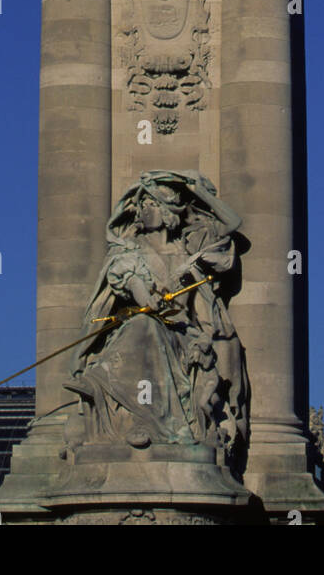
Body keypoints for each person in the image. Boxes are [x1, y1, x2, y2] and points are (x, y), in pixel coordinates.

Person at [65, 170, 248, 472]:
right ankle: (133, 412)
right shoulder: (129, 252)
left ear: (167, 212)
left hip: (183, 334)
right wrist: (144, 298)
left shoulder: (191, 250)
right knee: (142, 325)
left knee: (146, 328)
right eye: (140, 205)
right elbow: (132, 281)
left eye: (150, 204)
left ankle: (144, 416)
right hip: (145, 325)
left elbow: (233, 225)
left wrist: (197, 192)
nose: (141, 211)